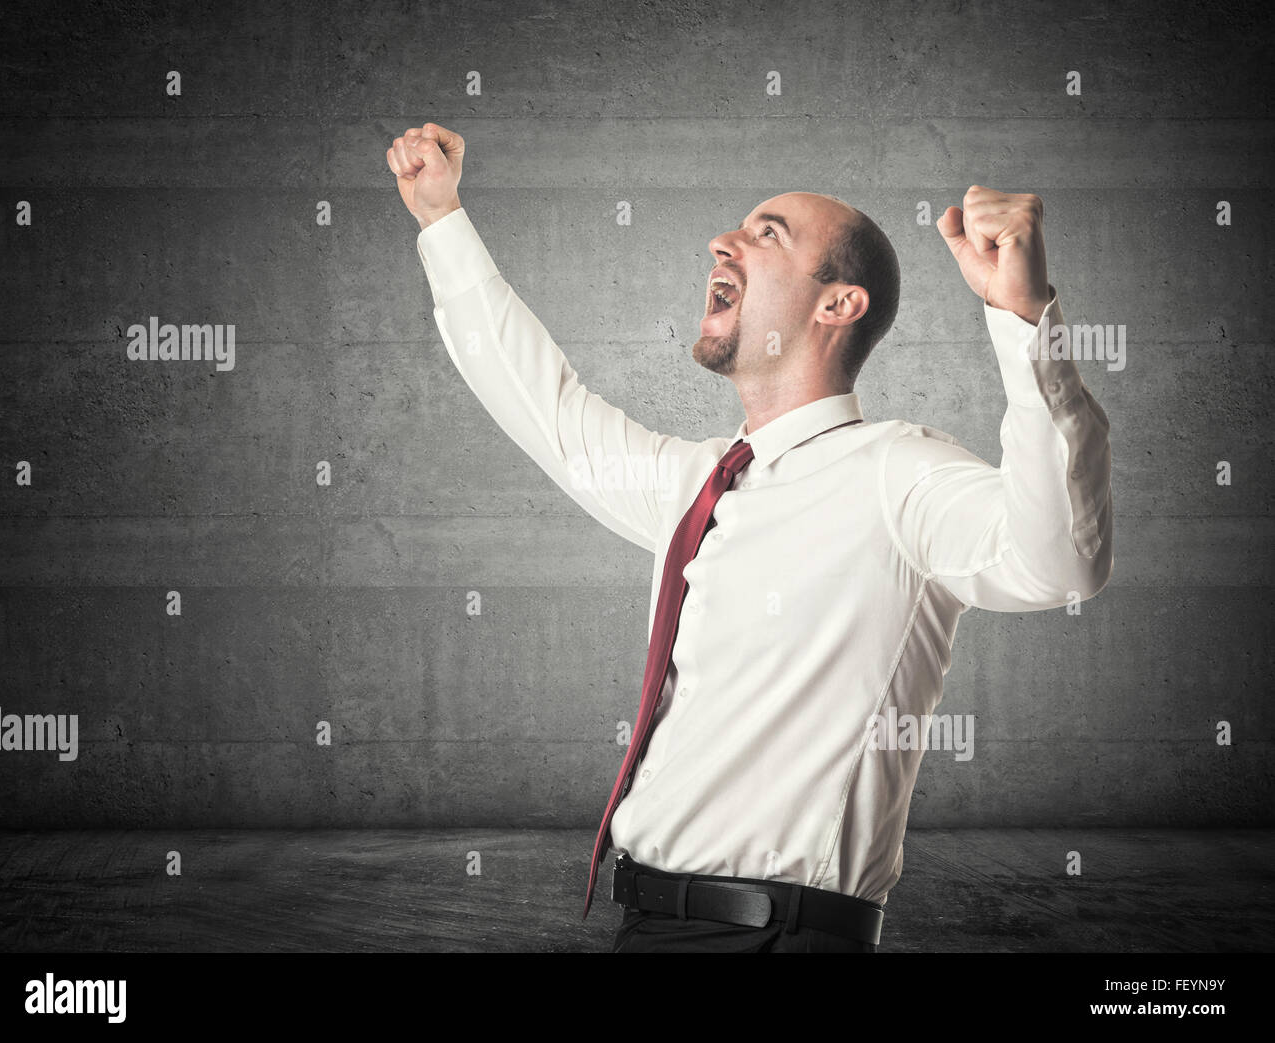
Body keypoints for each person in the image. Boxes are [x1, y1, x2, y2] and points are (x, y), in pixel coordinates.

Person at [387, 122, 1114, 953]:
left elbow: (1059, 560)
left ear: (838, 304)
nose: (720, 241)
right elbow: (546, 411)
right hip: (646, 925)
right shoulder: (698, 483)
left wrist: (1024, 321)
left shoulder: (898, 473)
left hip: (774, 939)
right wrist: (441, 218)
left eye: (766, 233)